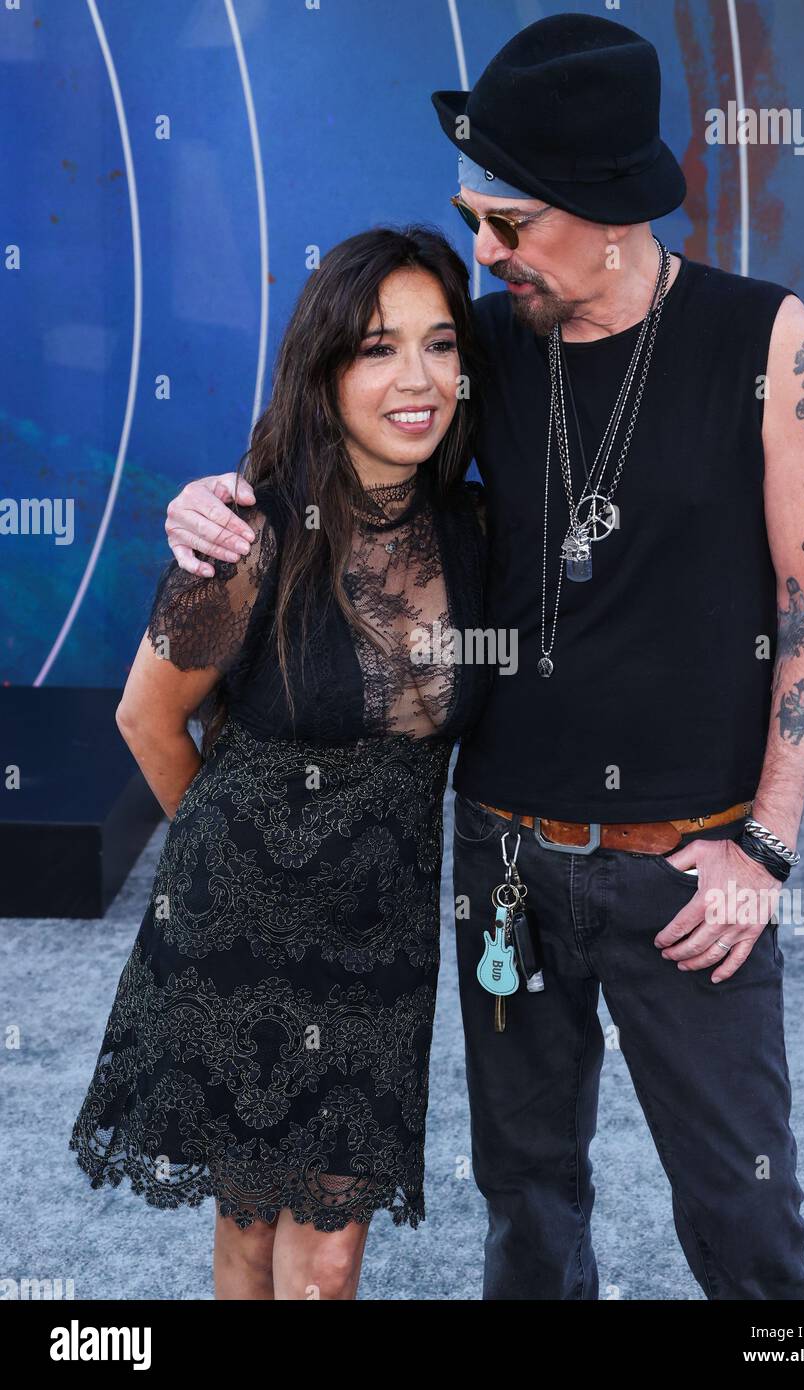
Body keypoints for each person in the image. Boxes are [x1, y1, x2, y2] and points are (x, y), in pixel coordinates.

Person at [162, 14, 804, 1300]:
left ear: (601, 208)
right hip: (506, 859)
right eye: (474, 218)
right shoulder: (481, 342)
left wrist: (765, 845)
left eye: (508, 222)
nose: (484, 250)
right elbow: (343, 439)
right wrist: (215, 500)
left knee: (745, 1221)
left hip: (691, 866)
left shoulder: (763, 339)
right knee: (525, 1207)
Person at [69, 224, 492, 1300]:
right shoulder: (249, 535)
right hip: (240, 928)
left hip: (381, 939)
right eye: (376, 348)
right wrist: (227, 859)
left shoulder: (477, 530)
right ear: (323, 369)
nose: (416, 377)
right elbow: (145, 720)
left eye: (439, 344)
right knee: (258, 1242)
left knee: (327, 1253)